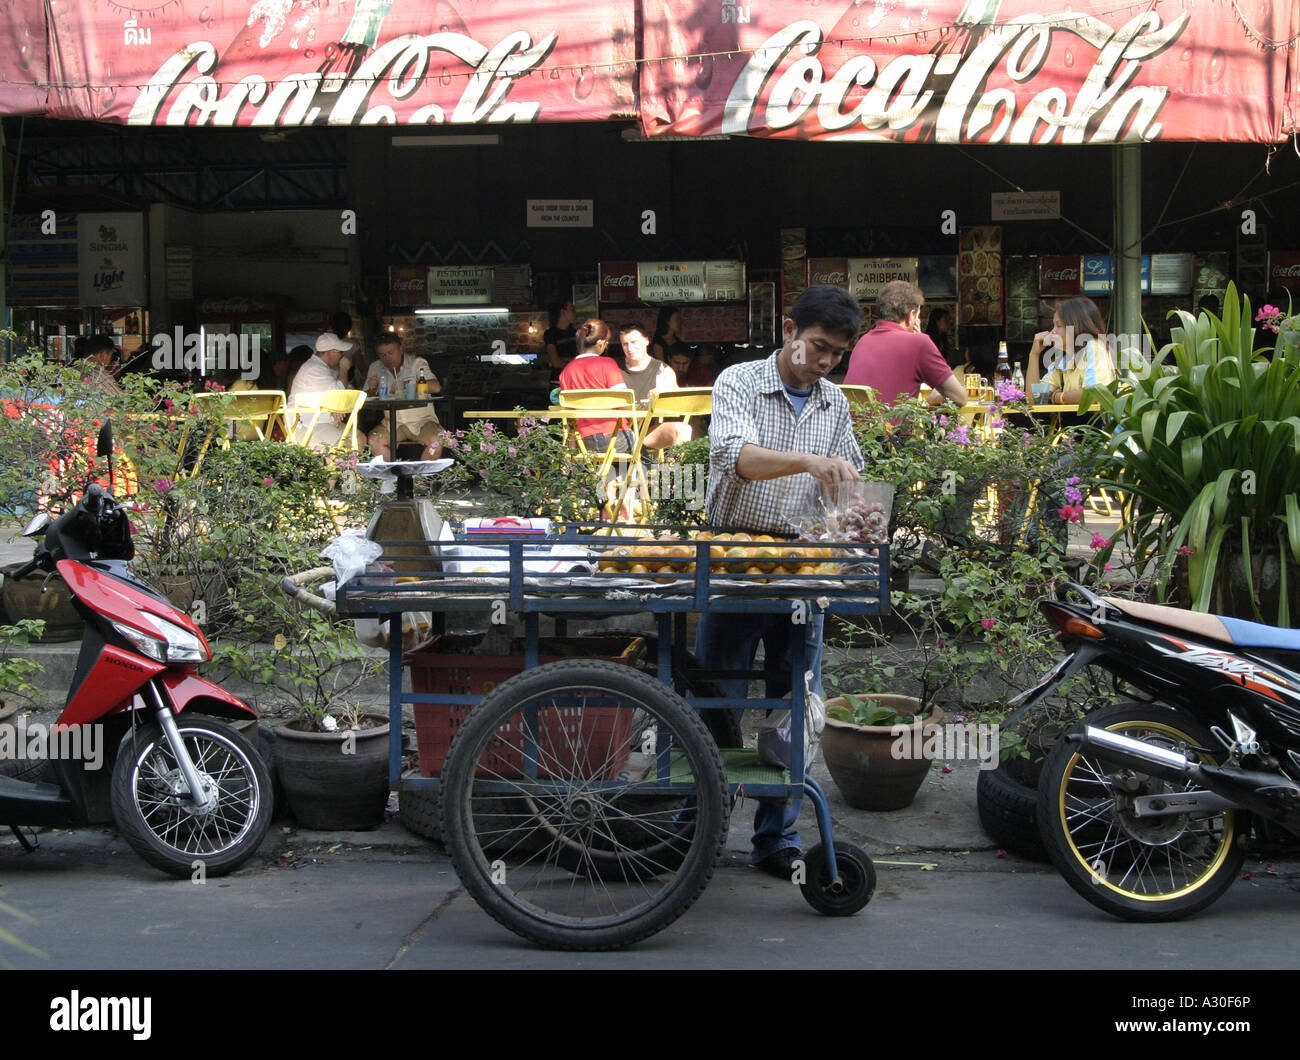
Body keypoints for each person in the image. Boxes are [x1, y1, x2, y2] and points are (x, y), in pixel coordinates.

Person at [698, 284, 864, 878]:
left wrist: (852, 507)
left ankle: (776, 841)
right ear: (790, 330)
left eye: (836, 354)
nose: (824, 361)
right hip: (735, 562)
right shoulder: (738, 382)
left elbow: (848, 481)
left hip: (802, 567)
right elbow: (733, 458)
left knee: (794, 709)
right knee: (714, 703)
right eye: (818, 346)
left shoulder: (834, 404)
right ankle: (688, 831)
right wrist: (810, 462)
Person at [844, 281, 968, 407]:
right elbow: (960, 398)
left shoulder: (863, 341)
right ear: (911, 315)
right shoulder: (919, 343)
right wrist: (929, 401)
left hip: (856, 426)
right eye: (917, 316)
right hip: (891, 426)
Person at [558, 319, 635, 514]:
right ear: (601, 343)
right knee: (632, 446)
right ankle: (623, 500)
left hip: (585, 442)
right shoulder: (607, 364)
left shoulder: (566, 372)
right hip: (615, 438)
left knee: (604, 461)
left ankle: (605, 503)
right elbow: (626, 403)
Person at [1025, 296, 1115, 422]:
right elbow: (1034, 398)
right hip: (1075, 437)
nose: (1053, 332)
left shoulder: (1094, 347)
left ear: (1077, 326)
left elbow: (1095, 394)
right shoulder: (1064, 359)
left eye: (1058, 326)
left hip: (1099, 435)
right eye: (1053, 326)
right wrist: (1034, 355)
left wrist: (1058, 397)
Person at [364, 332, 443, 461]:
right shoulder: (375, 367)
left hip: (422, 421)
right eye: (382, 355)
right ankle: (394, 478)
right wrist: (372, 390)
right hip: (392, 422)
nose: (387, 358)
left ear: (400, 349)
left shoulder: (416, 364)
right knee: (374, 440)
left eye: (390, 353)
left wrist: (407, 385)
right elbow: (364, 396)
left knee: (436, 441)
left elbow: (436, 387)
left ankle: (421, 480)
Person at [618, 323, 691, 453]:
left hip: (649, 432)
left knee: (684, 430)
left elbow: (677, 404)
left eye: (634, 342)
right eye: (625, 344)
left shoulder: (663, 370)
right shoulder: (614, 369)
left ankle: (676, 472)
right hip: (618, 433)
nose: (630, 348)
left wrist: (662, 397)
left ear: (646, 341)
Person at [288, 332, 353, 447]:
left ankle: (343, 464)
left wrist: (336, 406)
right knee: (345, 445)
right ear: (329, 353)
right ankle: (334, 464)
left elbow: (342, 394)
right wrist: (344, 369)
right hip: (307, 425)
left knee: (360, 438)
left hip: (323, 421)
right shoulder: (314, 369)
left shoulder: (323, 367)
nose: (343, 355)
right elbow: (338, 394)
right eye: (340, 352)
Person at [544, 301, 577, 377]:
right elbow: (555, 362)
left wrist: (565, 360)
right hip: (558, 378)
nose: (574, 313)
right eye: (572, 309)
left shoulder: (576, 333)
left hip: (574, 377)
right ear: (563, 312)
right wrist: (574, 362)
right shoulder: (550, 333)